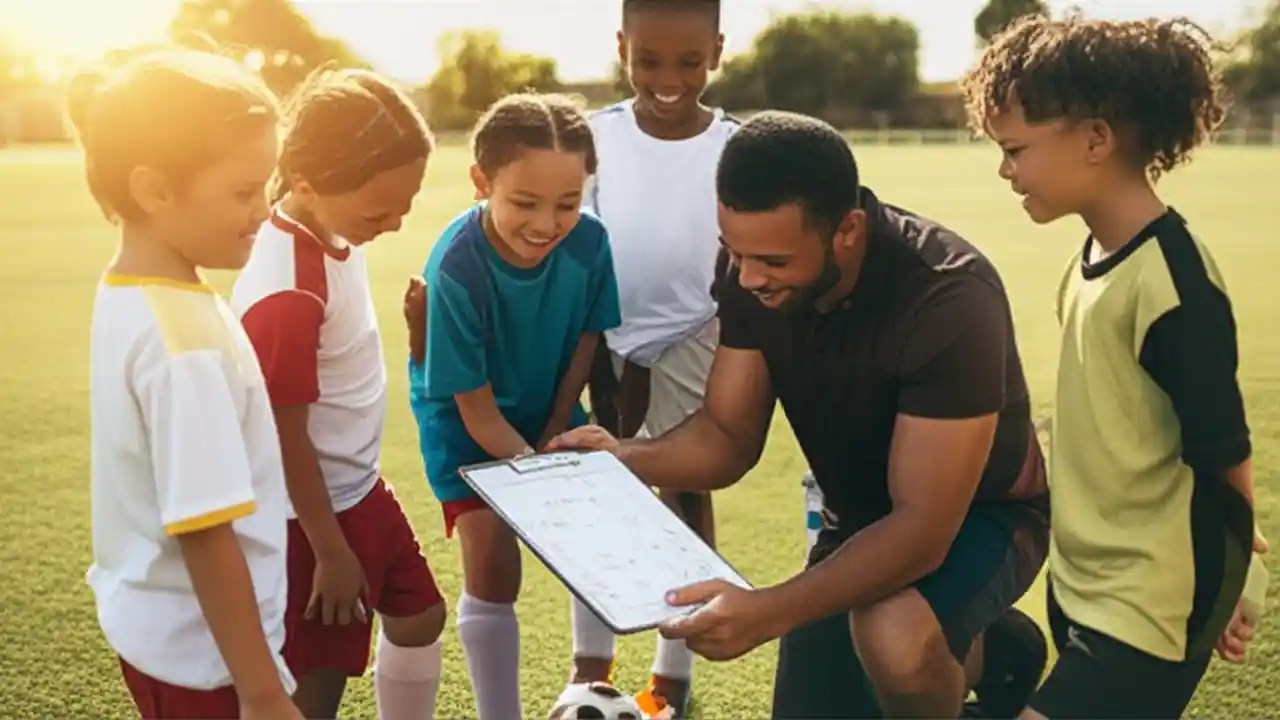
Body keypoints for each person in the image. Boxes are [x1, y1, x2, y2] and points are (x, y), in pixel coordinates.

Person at [550, 110, 1051, 719]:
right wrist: (622, 458)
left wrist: (766, 610)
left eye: (774, 263)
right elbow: (726, 437)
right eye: (736, 252)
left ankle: (954, 655)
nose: (750, 278)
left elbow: (922, 530)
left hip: (984, 518)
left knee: (893, 632)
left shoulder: (948, 298)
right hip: (858, 524)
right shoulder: (750, 266)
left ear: (847, 230)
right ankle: (992, 652)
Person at [961, 14, 1269, 718]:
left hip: (1151, 604)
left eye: (1016, 149)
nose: (1006, 170)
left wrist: (1239, 581)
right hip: (1081, 586)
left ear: (1096, 139)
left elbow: (1226, 458)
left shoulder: (1174, 285)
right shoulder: (1090, 264)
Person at [74, 45, 302, 719]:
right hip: (208, 664)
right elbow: (205, 530)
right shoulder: (185, 344)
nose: (264, 210)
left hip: (161, 632)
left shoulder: (132, 290)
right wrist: (260, 690)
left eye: (267, 185)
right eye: (242, 190)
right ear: (153, 190)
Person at [230, 67, 446, 720]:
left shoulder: (328, 232)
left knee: (419, 616)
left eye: (406, 205)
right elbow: (280, 434)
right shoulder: (288, 290)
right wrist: (330, 551)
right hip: (310, 516)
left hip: (356, 487)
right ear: (306, 182)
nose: (395, 222)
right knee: (317, 686)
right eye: (380, 210)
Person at [404, 92, 622, 720]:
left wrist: (559, 426)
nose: (547, 224)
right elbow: (474, 412)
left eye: (568, 203)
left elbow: (586, 339)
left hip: (548, 408)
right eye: (525, 203)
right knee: (495, 562)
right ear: (481, 182)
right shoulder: (456, 266)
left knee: (595, 535)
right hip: (468, 418)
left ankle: (591, 683)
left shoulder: (590, 243)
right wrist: (535, 471)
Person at [575, 0, 737, 715]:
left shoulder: (735, 145)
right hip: (603, 343)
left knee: (683, 500)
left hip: (697, 339)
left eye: (689, 62)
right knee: (599, 498)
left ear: (717, 52)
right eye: (648, 61)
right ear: (621, 49)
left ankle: (672, 672)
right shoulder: (594, 136)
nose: (668, 79)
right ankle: (591, 667)